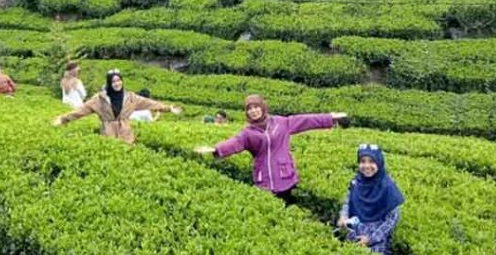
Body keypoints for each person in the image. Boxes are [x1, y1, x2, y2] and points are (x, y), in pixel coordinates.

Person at [194, 94, 348, 205]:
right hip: (264, 179)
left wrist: (330, 117)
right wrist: (215, 149)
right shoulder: (248, 132)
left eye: (256, 107)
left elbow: (306, 120)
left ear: (263, 107)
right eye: (249, 109)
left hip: (284, 176)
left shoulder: (281, 123)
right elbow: (235, 142)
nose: (253, 111)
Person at [53, 69, 182, 145]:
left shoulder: (130, 97)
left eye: (119, 80)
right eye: (113, 81)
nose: (117, 83)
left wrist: (168, 108)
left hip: (127, 136)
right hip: (108, 136)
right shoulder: (100, 99)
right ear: (109, 83)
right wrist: (64, 119)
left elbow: (150, 103)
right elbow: (82, 110)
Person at [337, 144, 404, 255]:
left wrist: (371, 239)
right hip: (354, 235)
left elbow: (392, 219)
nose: (367, 166)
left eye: (372, 161)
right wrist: (343, 216)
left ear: (379, 162)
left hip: (376, 243)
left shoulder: (387, 186)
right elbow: (347, 202)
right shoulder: (356, 182)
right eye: (362, 161)